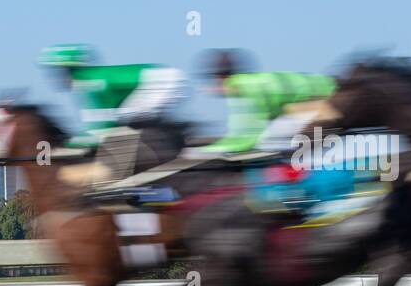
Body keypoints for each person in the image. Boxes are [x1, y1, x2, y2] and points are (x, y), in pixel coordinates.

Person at [37, 44, 187, 186]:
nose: (52, 78)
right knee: (123, 126)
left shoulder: (90, 82)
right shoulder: (87, 80)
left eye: (56, 72)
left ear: (68, 70)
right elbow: (96, 130)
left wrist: (65, 147)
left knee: (124, 126)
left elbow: (102, 129)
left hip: (163, 82)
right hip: (163, 80)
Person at [190, 49, 336, 159]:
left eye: (211, 80)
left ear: (220, 77)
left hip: (329, 100)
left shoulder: (242, 87)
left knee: (269, 140)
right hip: (327, 92)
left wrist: (199, 152)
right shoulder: (247, 81)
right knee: (275, 134)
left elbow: (245, 139)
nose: (210, 87)